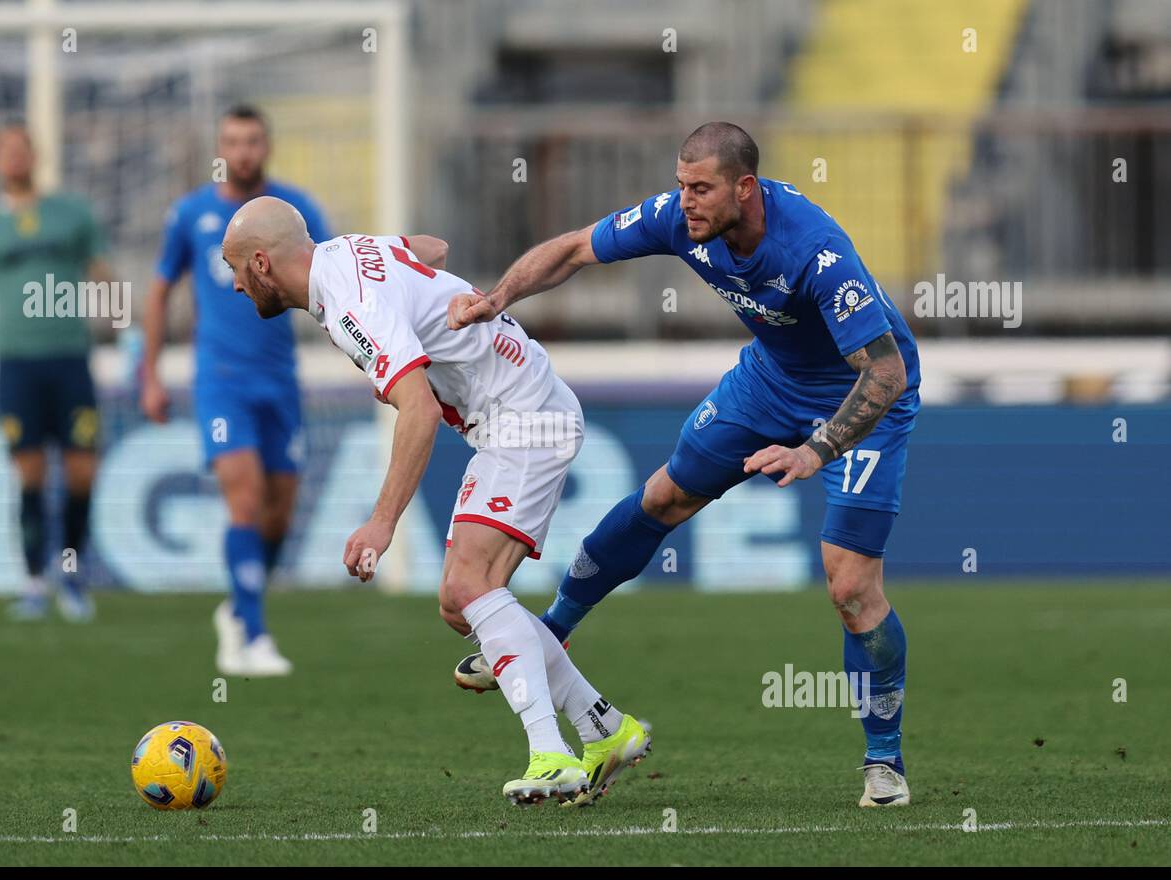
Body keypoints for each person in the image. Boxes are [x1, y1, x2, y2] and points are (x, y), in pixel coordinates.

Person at [448, 122, 921, 809]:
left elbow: (887, 370)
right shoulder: (681, 220)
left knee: (849, 587)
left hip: (865, 401)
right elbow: (574, 249)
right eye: (681, 186)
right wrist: (497, 299)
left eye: (700, 189)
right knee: (665, 497)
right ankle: (549, 631)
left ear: (746, 189)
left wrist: (817, 449)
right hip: (769, 383)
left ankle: (885, 760)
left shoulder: (816, 252)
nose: (685, 202)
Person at [221, 196, 651, 806]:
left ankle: (551, 756)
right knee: (461, 603)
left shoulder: (350, 305)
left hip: (524, 416)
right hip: (515, 411)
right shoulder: (347, 253)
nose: (235, 285)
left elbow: (418, 410)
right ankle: (605, 728)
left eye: (235, 268)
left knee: (469, 587)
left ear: (262, 262)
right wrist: (429, 295)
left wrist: (380, 523)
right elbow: (432, 248)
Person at [141, 105, 331, 677]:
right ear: (220, 148)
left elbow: (333, 281)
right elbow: (158, 292)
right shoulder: (192, 214)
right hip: (220, 381)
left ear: (266, 147)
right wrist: (148, 373)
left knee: (278, 514)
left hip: (280, 380)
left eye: (252, 141)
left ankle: (238, 608)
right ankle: (254, 633)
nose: (243, 151)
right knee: (244, 499)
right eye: (232, 141)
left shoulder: (295, 214)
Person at [0, 123, 111, 622]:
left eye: (22, 149)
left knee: (83, 468)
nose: (15, 158)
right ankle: (33, 580)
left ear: (35, 156)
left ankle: (71, 574)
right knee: (30, 472)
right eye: (6, 151)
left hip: (69, 359)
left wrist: (127, 331)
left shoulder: (71, 214)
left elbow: (101, 272)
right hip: (16, 364)